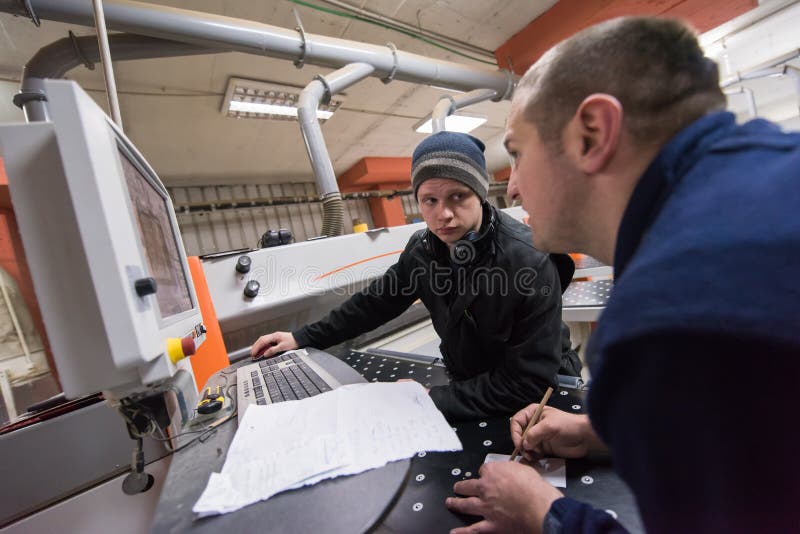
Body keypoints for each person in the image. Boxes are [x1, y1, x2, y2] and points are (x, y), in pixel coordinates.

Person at [445, 16, 800, 533]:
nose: (513, 189)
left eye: (518, 155)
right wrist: (607, 431)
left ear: (592, 134)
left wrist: (545, 513)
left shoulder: (669, 317)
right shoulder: (769, 181)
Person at [251, 131, 582, 421]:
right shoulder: (423, 249)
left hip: (542, 398)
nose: (443, 215)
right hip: (470, 388)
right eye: (430, 200)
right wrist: (303, 337)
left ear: (480, 195)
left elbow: (527, 383)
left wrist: (430, 399)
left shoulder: (529, 259)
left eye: (458, 196)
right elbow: (375, 303)